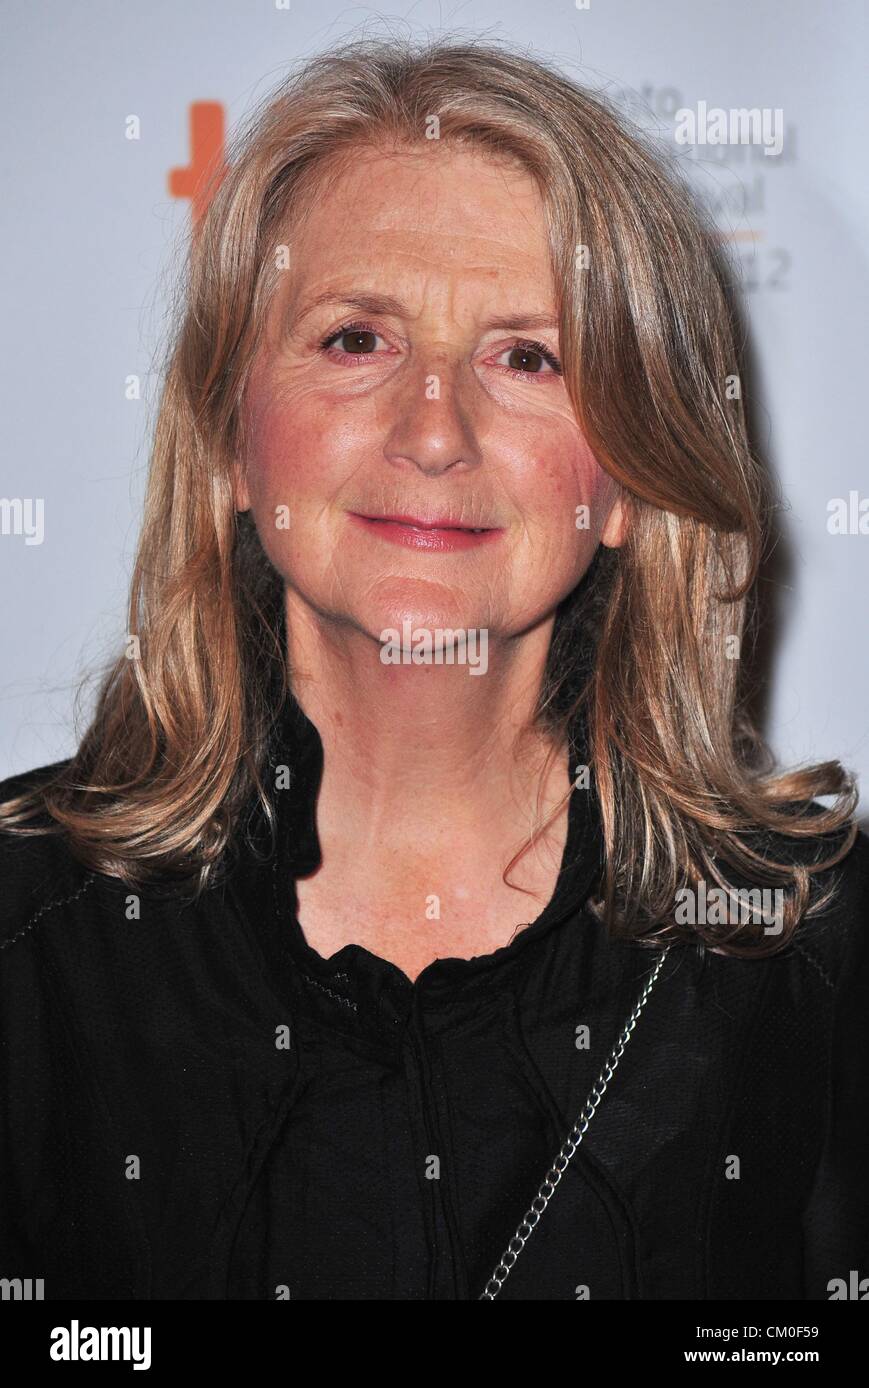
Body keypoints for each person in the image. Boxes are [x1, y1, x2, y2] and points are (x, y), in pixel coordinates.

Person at [1, 37, 866, 1302]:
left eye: (528, 357)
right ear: (232, 442)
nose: (432, 430)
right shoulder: (28, 946)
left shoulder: (810, 961)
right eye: (356, 339)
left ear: (628, 479)